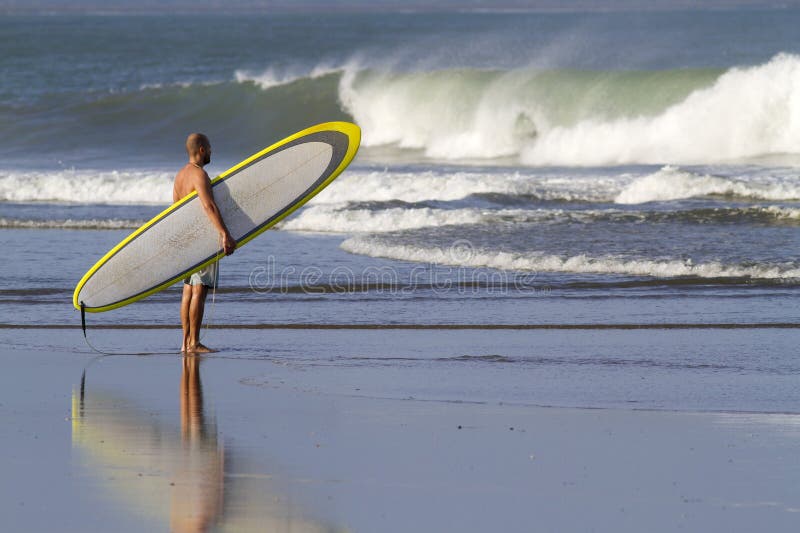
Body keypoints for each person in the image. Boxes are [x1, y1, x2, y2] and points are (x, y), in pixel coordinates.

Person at [173, 133, 236, 353]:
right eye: (209, 148)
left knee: (188, 289)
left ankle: (185, 342)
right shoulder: (200, 174)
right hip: (200, 238)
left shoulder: (180, 176)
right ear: (201, 149)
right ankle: (194, 343)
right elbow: (209, 207)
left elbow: (175, 212)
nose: (211, 152)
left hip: (185, 238)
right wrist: (224, 233)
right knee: (200, 288)